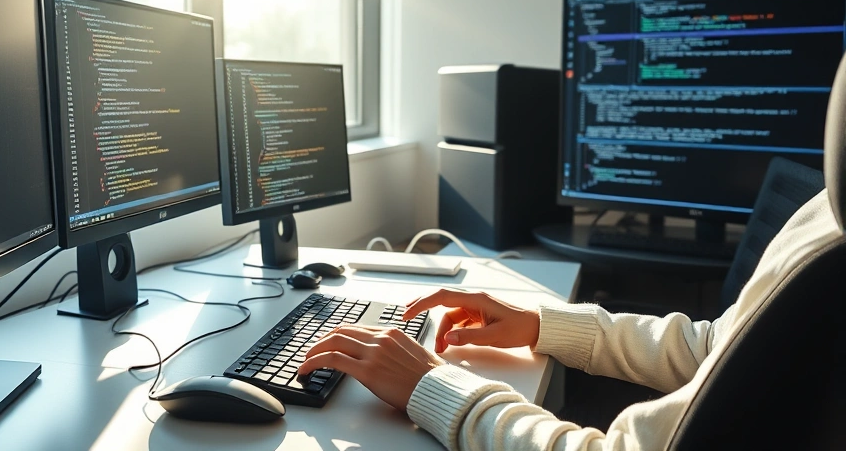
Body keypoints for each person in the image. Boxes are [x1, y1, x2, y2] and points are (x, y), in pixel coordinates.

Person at [297, 186, 843, 449]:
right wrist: (544, 325)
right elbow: (715, 348)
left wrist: (434, 386)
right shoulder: (830, 205)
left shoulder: (834, 261)